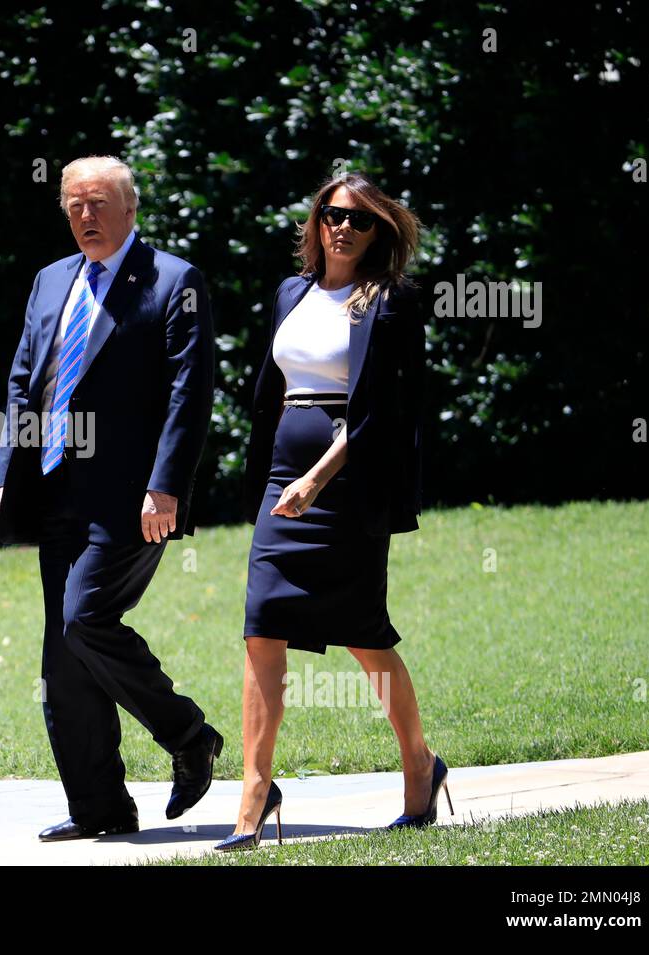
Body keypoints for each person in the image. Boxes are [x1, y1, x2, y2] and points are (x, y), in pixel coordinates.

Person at [216, 173, 452, 852]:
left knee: (364, 634)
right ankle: (254, 793)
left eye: (359, 218)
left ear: (380, 231)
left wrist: (319, 478)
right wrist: (269, 477)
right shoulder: (291, 292)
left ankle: (418, 762)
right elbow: (270, 390)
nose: (342, 226)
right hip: (282, 481)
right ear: (316, 222)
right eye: (331, 213)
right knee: (261, 626)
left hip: (349, 486)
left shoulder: (390, 302)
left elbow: (382, 413)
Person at [0, 155, 220, 840]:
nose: (85, 215)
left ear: (130, 208)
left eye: (97, 202)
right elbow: (22, 380)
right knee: (62, 663)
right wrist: (7, 474)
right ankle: (100, 809)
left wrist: (167, 484)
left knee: (85, 618)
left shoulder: (174, 281)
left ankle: (188, 735)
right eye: (73, 204)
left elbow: (190, 390)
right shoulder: (49, 280)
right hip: (53, 489)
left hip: (132, 498)